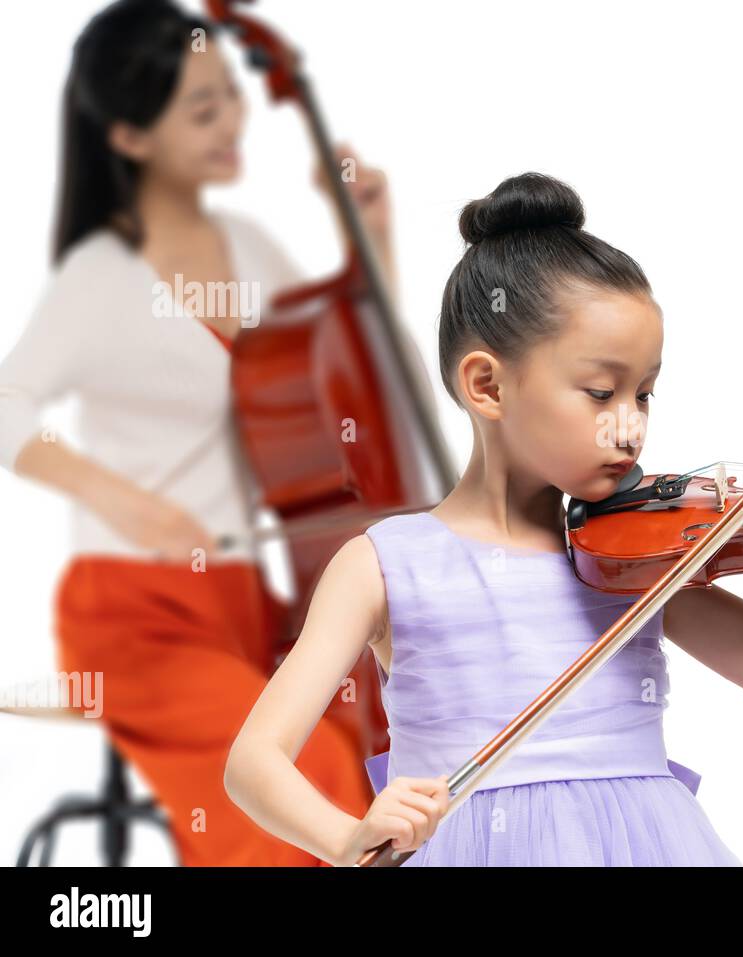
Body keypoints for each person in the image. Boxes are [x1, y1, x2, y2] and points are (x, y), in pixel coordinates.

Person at [224, 171, 743, 867]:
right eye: (600, 392)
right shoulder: (387, 563)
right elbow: (253, 762)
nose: (630, 423)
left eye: (644, 392)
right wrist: (344, 837)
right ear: (487, 386)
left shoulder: (638, 561)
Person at [0, 0, 391, 865]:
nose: (233, 122)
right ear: (133, 139)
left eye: (231, 96)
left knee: (380, 760)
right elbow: (7, 401)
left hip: (256, 606)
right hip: (134, 618)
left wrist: (373, 239)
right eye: (201, 107)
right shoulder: (99, 276)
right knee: (308, 777)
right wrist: (119, 498)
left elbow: (349, 368)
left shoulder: (249, 247)